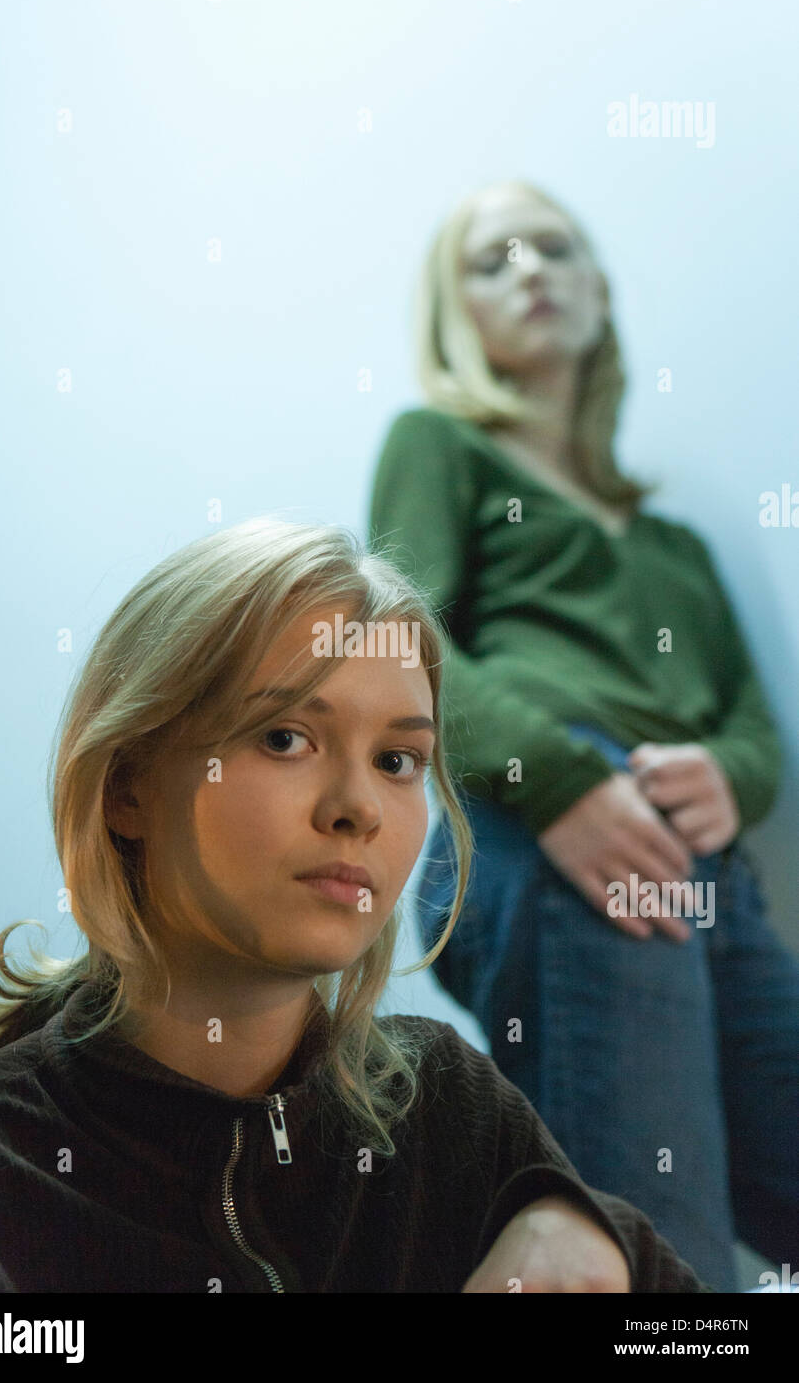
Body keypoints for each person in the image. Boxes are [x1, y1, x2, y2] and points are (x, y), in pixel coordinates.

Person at [0, 516, 710, 1293]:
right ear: (126, 785)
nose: (358, 807)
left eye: (398, 760)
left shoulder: (447, 1107)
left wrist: (592, 1235)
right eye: (284, 738)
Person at [367, 180, 799, 1293]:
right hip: (540, 819)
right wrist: (556, 777)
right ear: (452, 309)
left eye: (553, 248)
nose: (529, 272)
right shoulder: (439, 444)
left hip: (703, 862)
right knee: (666, 1234)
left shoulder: (676, 545)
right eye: (491, 259)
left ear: (598, 290)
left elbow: (748, 724)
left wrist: (728, 777)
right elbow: (393, 632)